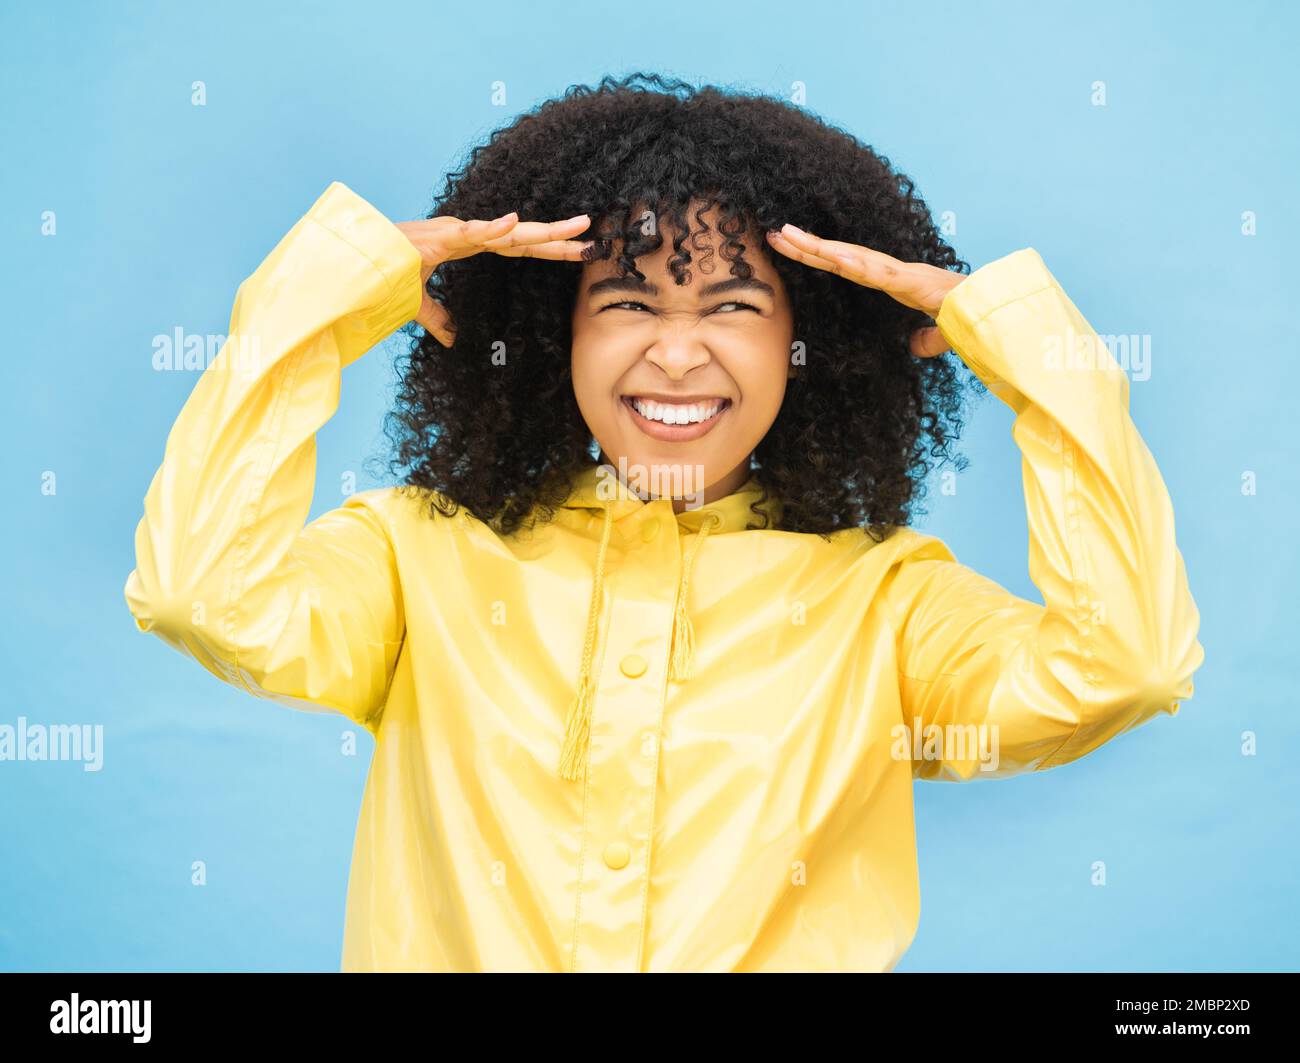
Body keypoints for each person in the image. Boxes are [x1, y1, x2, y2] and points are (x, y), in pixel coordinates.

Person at [123, 72, 1204, 972]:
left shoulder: (888, 604)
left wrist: (1030, 355)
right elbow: (198, 595)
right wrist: (318, 301)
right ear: (556, 336)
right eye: (627, 303)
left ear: (804, 341)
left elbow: (1125, 670)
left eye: (732, 307)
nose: (677, 355)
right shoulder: (418, 555)